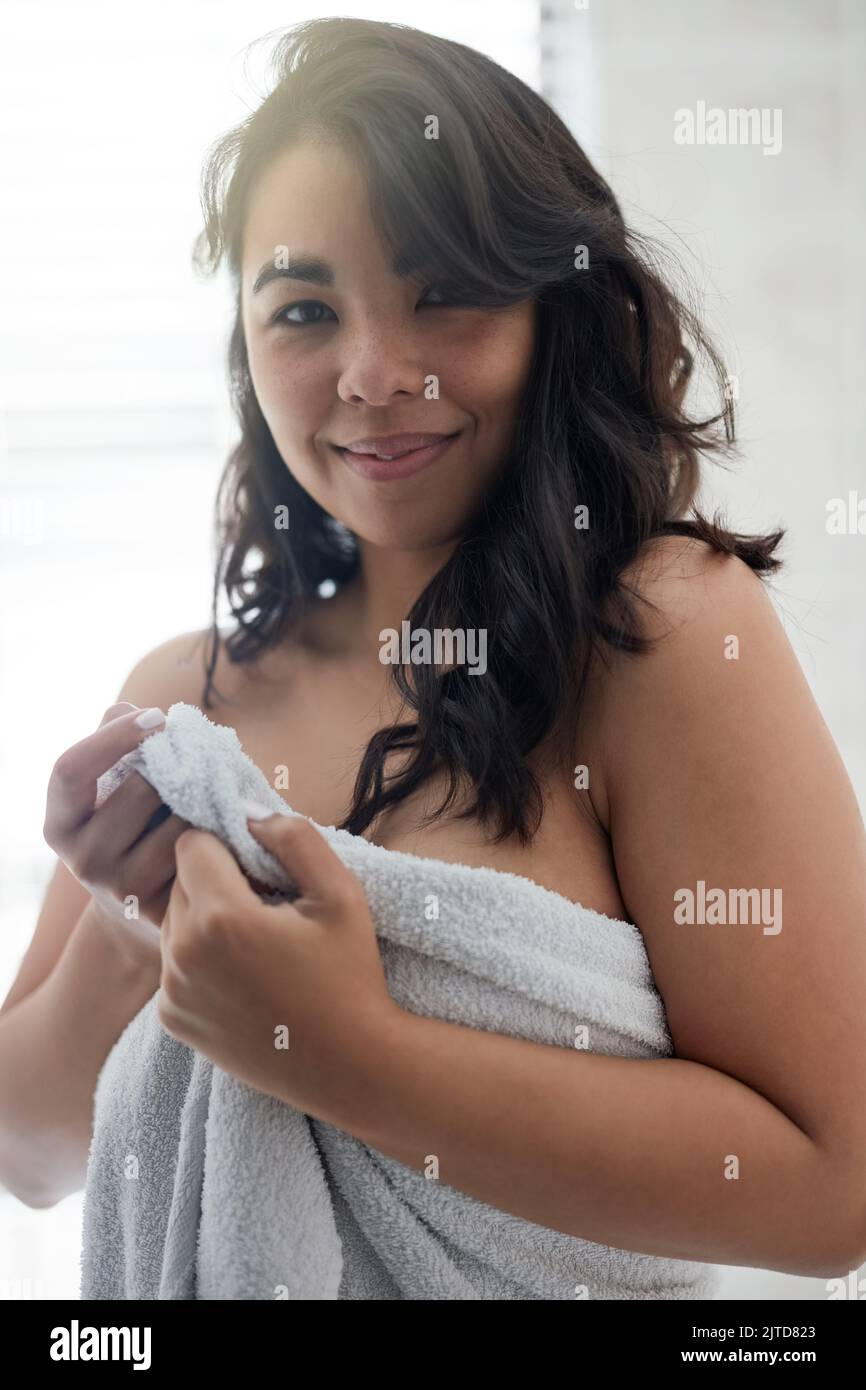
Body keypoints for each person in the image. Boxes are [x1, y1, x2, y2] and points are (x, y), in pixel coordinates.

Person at [2, 17, 864, 1290]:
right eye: (303, 308)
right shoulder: (182, 701)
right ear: (246, 346)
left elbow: (828, 1185)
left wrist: (347, 1053)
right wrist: (141, 929)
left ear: (551, 307)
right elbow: (33, 1153)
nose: (373, 374)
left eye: (444, 291)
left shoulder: (658, 632)